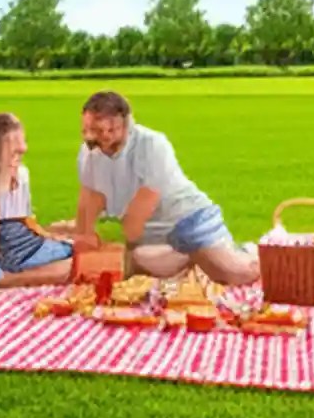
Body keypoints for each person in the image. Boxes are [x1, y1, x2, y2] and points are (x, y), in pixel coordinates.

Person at [75, 91, 259, 285]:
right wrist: (84, 233)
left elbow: (140, 213)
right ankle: (189, 257)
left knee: (235, 275)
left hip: (189, 219)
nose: (104, 138)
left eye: (111, 130)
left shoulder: (152, 145)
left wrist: (116, 242)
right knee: (139, 271)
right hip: (154, 234)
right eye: (96, 130)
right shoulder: (88, 155)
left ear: (127, 123)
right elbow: (90, 195)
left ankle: (247, 252)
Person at [0, 113, 75, 287]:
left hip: (19, 245)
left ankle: (40, 273)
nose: (22, 149)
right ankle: (23, 278)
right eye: (14, 147)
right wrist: (2, 182)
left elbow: (23, 223)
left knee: (75, 250)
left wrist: (55, 233)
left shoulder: (22, 174)